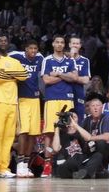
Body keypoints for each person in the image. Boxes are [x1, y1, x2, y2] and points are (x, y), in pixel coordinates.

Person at [0, 34, 29, 178]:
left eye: (5, 41)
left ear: (9, 43)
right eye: (0, 41)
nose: (3, 43)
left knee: (9, 137)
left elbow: (24, 75)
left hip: (12, 103)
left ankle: (4, 167)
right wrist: (13, 75)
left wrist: (6, 73)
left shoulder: (14, 60)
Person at [41, 34, 75, 177]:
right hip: (52, 99)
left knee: (68, 130)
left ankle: (67, 161)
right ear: (53, 44)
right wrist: (64, 76)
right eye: (57, 42)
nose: (60, 44)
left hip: (67, 98)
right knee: (49, 131)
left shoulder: (70, 60)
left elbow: (74, 77)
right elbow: (47, 80)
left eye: (62, 42)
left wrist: (58, 74)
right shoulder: (47, 60)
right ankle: (47, 164)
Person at [9, 38, 44, 177]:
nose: (33, 51)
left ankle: (26, 164)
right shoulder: (16, 55)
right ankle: (20, 164)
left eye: (35, 49)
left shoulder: (40, 58)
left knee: (33, 133)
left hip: (35, 99)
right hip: (21, 99)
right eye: (31, 49)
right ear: (26, 49)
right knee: (23, 132)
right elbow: (4, 55)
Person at [51, 109, 104, 179]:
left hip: (82, 161)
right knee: (65, 165)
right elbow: (55, 148)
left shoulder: (82, 130)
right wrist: (57, 128)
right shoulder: (61, 133)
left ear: (78, 119)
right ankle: (86, 174)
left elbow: (89, 138)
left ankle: (84, 173)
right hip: (68, 163)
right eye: (70, 117)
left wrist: (75, 125)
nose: (72, 119)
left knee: (98, 155)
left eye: (74, 117)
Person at [68, 34, 91, 122]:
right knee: (66, 120)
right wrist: (71, 57)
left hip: (79, 94)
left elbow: (86, 80)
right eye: (73, 43)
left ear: (80, 46)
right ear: (69, 45)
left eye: (77, 44)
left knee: (79, 120)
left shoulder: (85, 60)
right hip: (66, 93)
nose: (75, 46)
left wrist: (73, 78)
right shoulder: (64, 58)